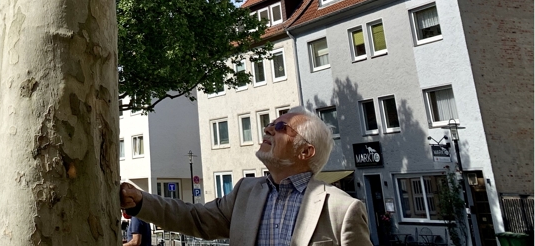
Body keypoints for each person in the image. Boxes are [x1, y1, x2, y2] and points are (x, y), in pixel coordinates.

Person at [120, 107, 371, 246]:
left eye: (282, 127)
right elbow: (194, 218)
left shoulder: (342, 209)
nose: (268, 128)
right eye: (271, 123)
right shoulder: (245, 192)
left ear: (305, 151)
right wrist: (141, 201)